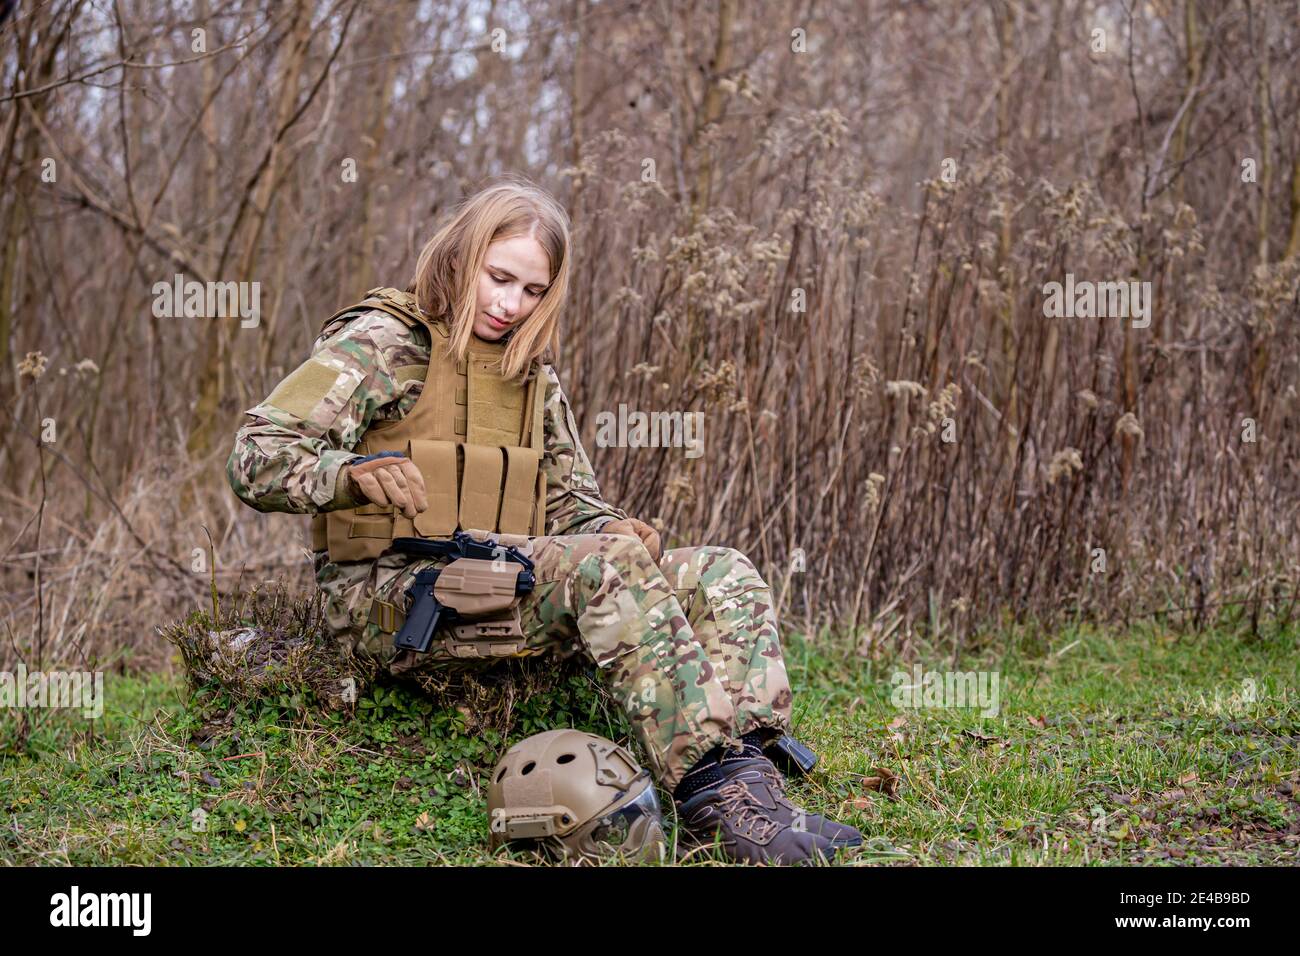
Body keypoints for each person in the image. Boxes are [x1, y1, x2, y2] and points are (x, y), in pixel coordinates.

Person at [226, 175, 861, 864]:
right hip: (394, 601)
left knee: (720, 570)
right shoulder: (382, 342)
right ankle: (715, 801)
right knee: (603, 568)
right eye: (499, 278)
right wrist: (346, 478)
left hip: (502, 576)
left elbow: (568, 501)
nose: (510, 304)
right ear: (462, 256)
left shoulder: (531, 373)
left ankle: (753, 777)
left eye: (532, 291)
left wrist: (614, 526)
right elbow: (255, 454)